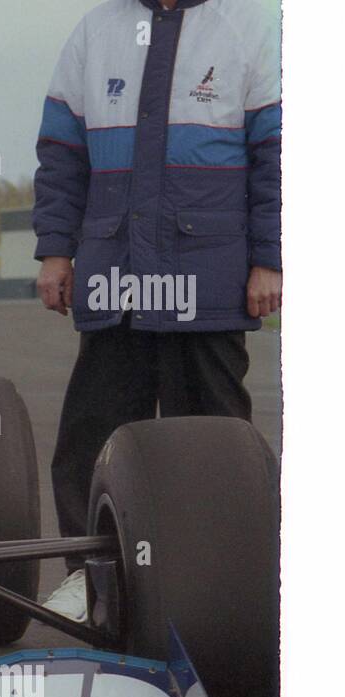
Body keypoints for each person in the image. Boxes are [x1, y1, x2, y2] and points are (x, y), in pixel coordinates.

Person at [31, 0, 281, 620]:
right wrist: (56, 252)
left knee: (215, 442)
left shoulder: (252, 29)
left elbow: (279, 160)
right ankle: (87, 582)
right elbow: (62, 156)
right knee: (93, 438)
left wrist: (269, 259)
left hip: (210, 277)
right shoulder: (95, 30)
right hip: (116, 280)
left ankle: (229, 591)